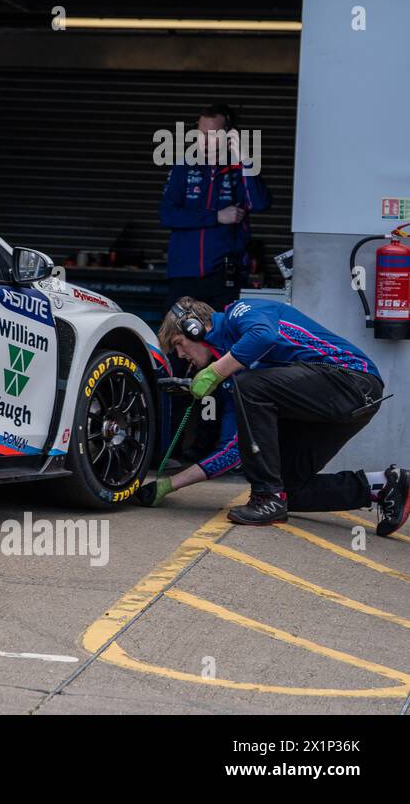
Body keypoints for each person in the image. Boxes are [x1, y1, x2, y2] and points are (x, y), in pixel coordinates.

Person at [145, 297, 407, 534]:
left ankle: (267, 498)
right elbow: (237, 449)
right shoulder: (239, 376)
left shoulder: (240, 312)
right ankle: (384, 484)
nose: (180, 355)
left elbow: (264, 336)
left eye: (179, 344)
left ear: (195, 328)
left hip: (354, 381)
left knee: (250, 385)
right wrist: (169, 485)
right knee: (290, 489)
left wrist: (216, 371)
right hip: (334, 404)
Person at [160, 103, 271, 310]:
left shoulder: (240, 169)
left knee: (222, 339)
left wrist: (245, 159)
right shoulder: (183, 167)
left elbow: (260, 203)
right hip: (185, 274)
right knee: (176, 337)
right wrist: (216, 216)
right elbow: (167, 215)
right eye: (201, 134)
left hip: (225, 275)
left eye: (213, 135)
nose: (206, 141)